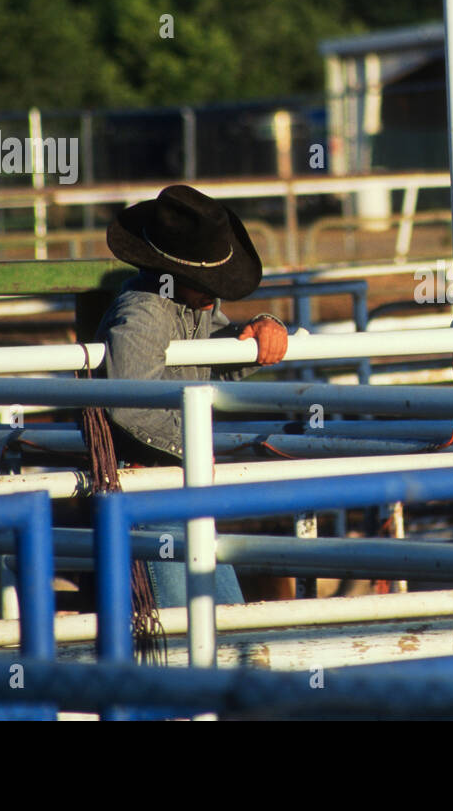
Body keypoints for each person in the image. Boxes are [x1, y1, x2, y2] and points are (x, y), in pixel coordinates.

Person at [96, 184, 289, 606]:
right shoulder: (143, 311)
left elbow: (215, 355)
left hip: (173, 480)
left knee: (207, 619)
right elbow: (129, 401)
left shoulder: (186, 303)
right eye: (204, 283)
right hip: (150, 482)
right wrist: (195, 448)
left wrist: (256, 329)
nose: (212, 294)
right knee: (199, 623)